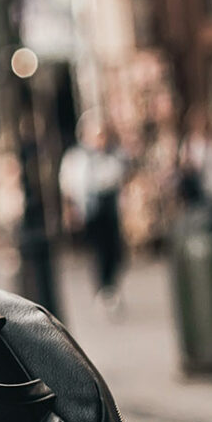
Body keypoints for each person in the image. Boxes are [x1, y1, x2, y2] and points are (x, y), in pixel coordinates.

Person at [59, 114, 128, 315]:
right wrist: (70, 211)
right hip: (91, 210)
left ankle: (111, 286)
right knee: (98, 251)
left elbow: (120, 178)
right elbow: (68, 186)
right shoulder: (76, 158)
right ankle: (104, 289)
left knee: (115, 251)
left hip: (111, 209)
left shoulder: (113, 155)